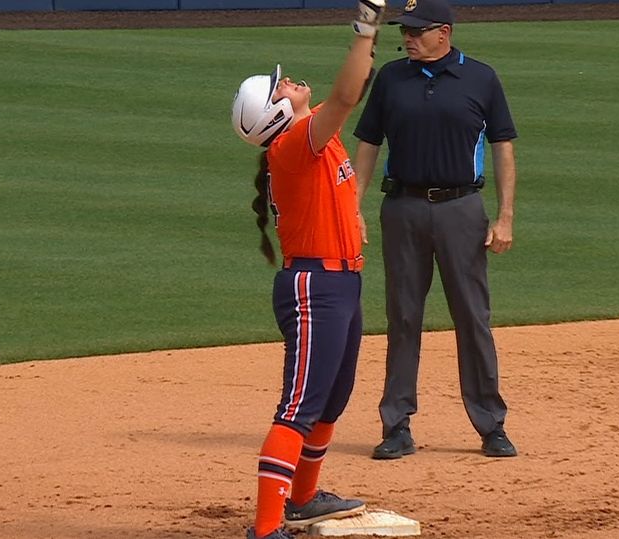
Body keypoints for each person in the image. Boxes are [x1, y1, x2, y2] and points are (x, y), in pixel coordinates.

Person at [230, 1, 386, 538]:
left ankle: (303, 498)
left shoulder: (315, 137)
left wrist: (353, 213)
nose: (291, 82)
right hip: (315, 287)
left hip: (343, 281)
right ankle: (267, 527)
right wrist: (366, 29)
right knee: (298, 406)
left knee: (330, 399)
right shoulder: (295, 144)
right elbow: (347, 95)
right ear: (272, 116)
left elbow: (349, 95)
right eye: (280, 88)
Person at [353, 0, 519, 459]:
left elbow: (503, 147)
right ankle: (396, 425)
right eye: (404, 30)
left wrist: (504, 216)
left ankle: (491, 425)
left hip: (461, 208)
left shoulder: (481, 77)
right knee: (403, 316)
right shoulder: (390, 77)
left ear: (443, 32)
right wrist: (354, 205)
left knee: (472, 316)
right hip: (402, 207)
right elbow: (368, 143)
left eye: (417, 31)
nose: (408, 37)